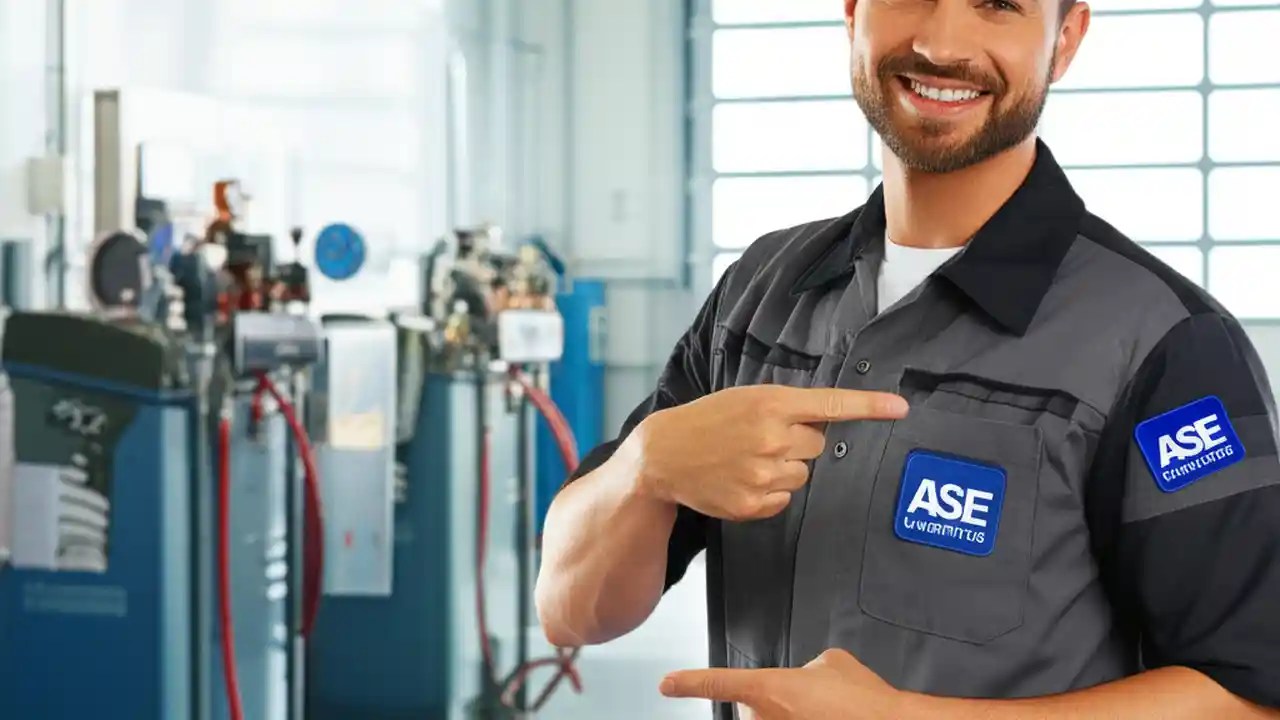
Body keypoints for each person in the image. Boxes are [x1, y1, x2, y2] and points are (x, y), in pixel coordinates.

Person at [535, 0, 1280, 717]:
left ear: (1066, 37)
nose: (943, 42)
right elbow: (571, 614)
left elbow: (1247, 695)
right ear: (853, 10)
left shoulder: (1161, 342)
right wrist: (644, 467)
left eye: (997, 4)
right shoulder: (758, 296)